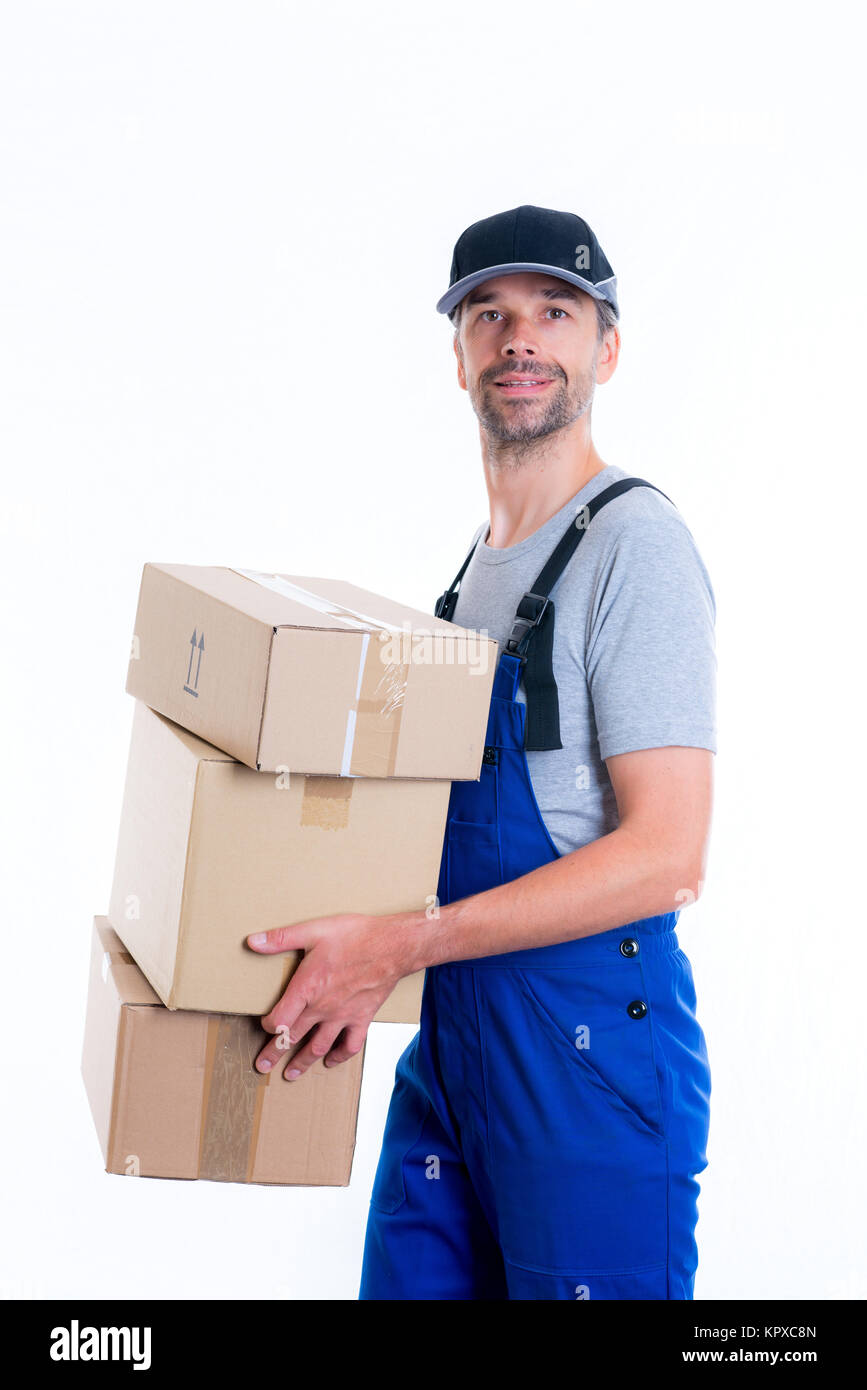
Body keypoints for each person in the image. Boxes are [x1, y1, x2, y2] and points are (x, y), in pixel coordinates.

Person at [248, 204, 717, 1301]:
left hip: (588, 1056)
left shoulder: (635, 545)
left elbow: (671, 855)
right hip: (458, 1052)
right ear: (458, 352)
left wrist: (403, 944)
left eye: (556, 312)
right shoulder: (470, 578)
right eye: (491, 313)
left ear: (606, 348)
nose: (522, 338)